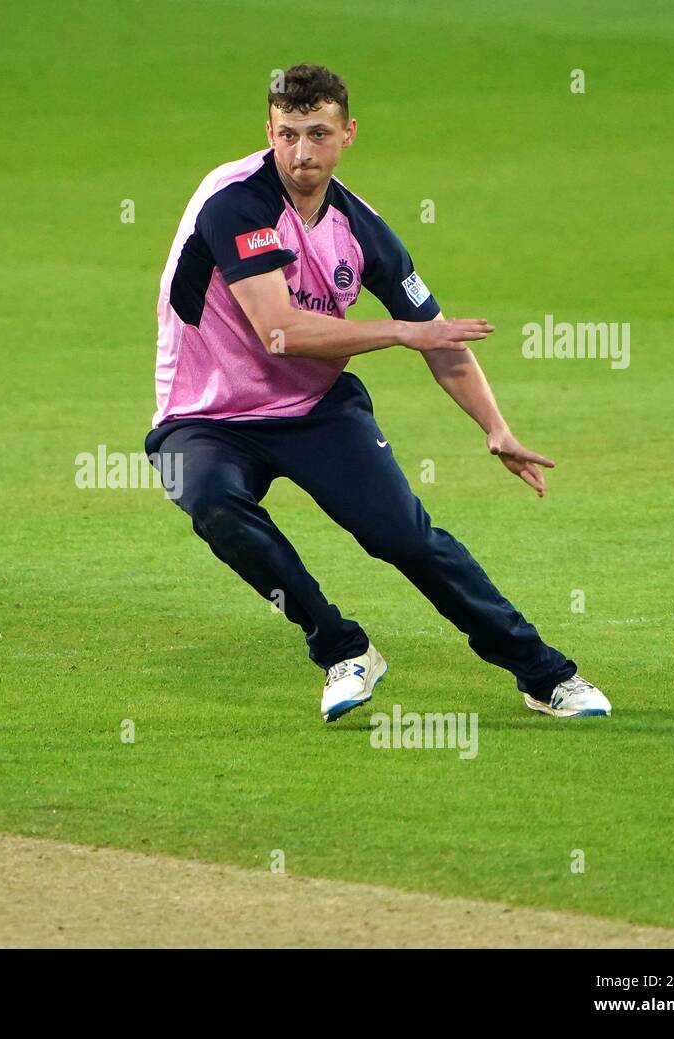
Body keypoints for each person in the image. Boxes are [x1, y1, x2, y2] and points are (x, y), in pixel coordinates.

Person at [145, 64, 610, 721]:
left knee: (407, 539)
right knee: (216, 504)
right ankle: (341, 647)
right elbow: (280, 332)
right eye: (287, 135)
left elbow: (441, 337)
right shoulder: (236, 202)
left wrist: (494, 426)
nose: (301, 153)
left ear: (348, 134)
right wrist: (398, 331)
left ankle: (544, 674)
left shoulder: (360, 229)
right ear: (268, 132)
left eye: (318, 134)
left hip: (313, 410)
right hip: (205, 413)